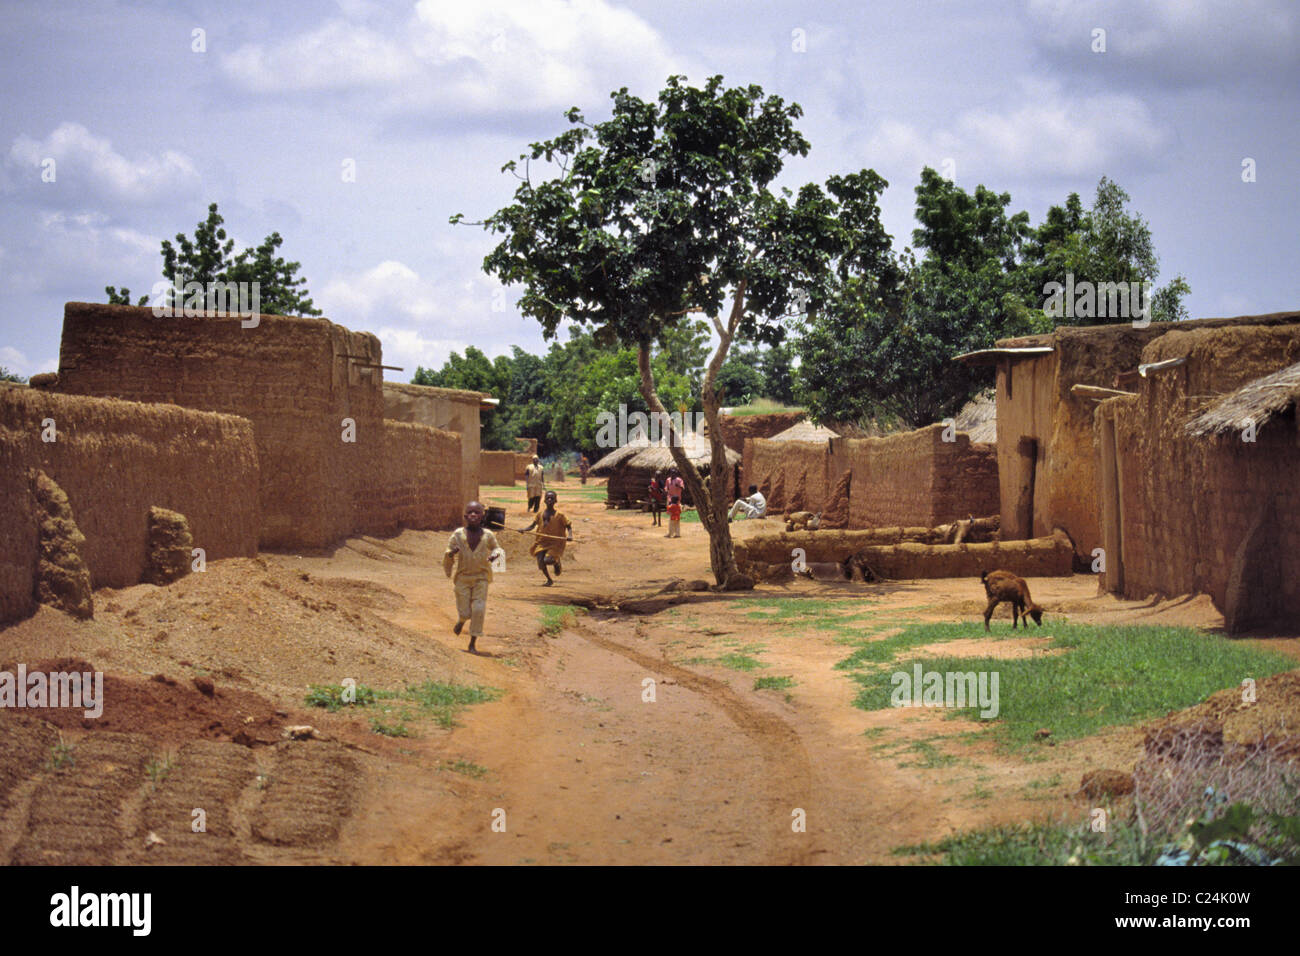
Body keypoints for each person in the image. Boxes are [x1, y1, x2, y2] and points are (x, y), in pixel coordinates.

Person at [443, 500, 504, 654]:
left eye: (477, 512)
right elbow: (448, 552)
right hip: (463, 578)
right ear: (465, 516)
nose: (473, 515)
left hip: (481, 578)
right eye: (470, 512)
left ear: (482, 516)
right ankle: (462, 620)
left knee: (479, 609)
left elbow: (497, 549)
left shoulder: (488, 535)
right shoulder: (458, 535)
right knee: (465, 612)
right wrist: (452, 553)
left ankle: (472, 642)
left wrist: (493, 557)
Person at [519, 490, 573, 587]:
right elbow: (532, 526)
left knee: (548, 560)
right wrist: (523, 529)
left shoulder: (560, 515)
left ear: (555, 501)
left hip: (555, 542)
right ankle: (549, 580)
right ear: (544, 500)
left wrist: (570, 535)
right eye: (547, 498)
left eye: (552, 498)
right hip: (542, 541)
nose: (549, 500)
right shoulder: (540, 514)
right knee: (540, 562)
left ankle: (556, 562)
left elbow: (568, 525)